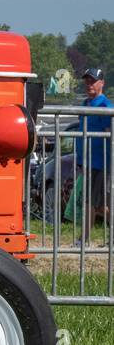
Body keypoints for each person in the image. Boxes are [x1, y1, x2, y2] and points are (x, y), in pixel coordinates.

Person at [70, 67, 111, 237]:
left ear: (102, 83)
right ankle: (84, 238)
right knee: (90, 201)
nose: (89, 85)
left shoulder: (105, 105)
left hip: (101, 162)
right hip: (86, 161)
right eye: (87, 81)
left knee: (97, 204)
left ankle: (84, 238)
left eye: (93, 81)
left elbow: (110, 132)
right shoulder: (85, 103)